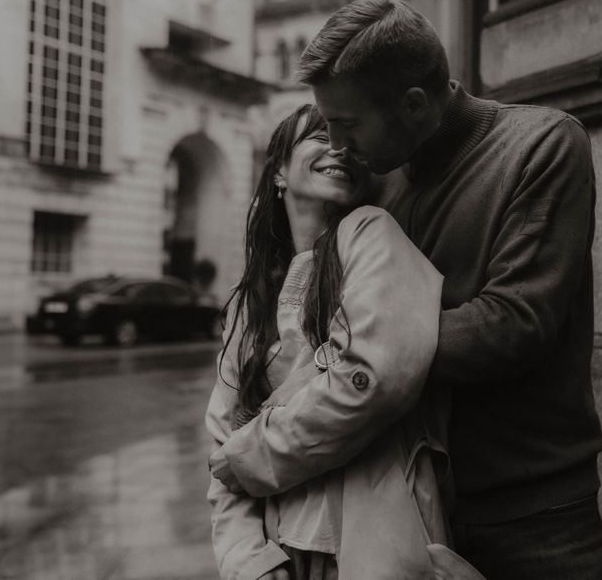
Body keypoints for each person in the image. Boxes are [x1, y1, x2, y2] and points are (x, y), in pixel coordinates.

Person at [213, 0, 602, 579]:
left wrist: (357, 355)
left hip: (533, 509)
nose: (339, 146)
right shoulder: (378, 181)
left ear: (415, 104)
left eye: (346, 124)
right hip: (413, 504)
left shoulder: (542, 145)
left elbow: (514, 324)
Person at [205, 105, 480, 580]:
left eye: (350, 141)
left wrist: (250, 455)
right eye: (317, 136)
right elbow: (220, 443)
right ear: (278, 172)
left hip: (370, 541)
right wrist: (248, 559)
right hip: (279, 552)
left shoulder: (370, 232)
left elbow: (373, 379)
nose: (338, 147)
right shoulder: (249, 302)